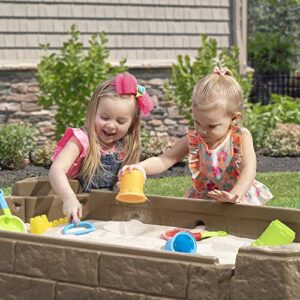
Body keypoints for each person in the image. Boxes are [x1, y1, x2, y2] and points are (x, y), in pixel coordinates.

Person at [121, 67, 273, 205]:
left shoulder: (240, 136)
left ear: (233, 118)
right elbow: (165, 159)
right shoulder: (193, 139)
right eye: (197, 122)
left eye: (211, 126)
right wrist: (141, 167)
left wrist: (235, 194)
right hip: (205, 197)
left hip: (238, 194)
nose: (202, 130)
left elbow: (249, 169)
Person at [49, 72, 153, 224]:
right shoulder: (82, 140)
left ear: (132, 122)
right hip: (80, 209)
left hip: (108, 213)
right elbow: (56, 170)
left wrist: (123, 187)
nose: (111, 125)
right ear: (93, 111)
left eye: (120, 121)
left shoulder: (124, 146)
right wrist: (69, 199)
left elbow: (121, 186)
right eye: (105, 117)